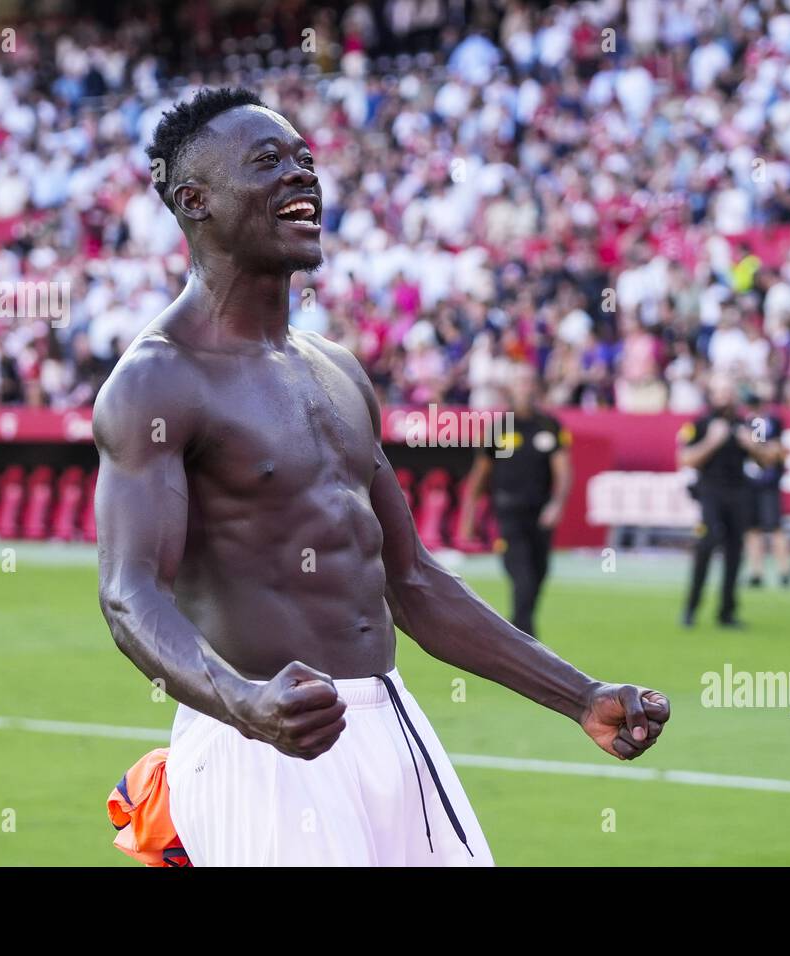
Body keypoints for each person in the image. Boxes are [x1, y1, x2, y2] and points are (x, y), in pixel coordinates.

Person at [93, 88, 669, 867]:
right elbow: (130, 594)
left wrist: (580, 696)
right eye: (269, 163)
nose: (303, 178)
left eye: (305, 161)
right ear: (194, 199)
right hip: (261, 744)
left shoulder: (335, 370)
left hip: (390, 722)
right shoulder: (155, 380)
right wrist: (248, 703)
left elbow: (416, 583)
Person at [458, 364, 572, 638]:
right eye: (520, 382)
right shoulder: (499, 429)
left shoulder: (550, 426)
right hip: (508, 513)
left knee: (539, 573)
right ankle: (525, 640)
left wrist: (557, 504)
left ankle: (522, 635)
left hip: (540, 513)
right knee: (522, 576)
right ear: (510, 389)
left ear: (538, 387)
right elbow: (481, 474)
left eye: (530, 382)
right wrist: (469, 516)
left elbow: (564, 471)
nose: (525, 387)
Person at [678, 373, 772, 628]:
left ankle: (727, 612)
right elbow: (685, 459)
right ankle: (690, 608)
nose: (725, 396)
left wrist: (753, 447)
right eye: (720, 392)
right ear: (712, 395)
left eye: (729, 391)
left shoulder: (746, 425)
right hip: (710, 491)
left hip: (739, 492)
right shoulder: (700, 424)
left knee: (734, 550)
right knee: (707, 544)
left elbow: (766, 459)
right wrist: (711, 442)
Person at [742, 393, 790, 588]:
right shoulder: (759, 421)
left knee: (772, 527)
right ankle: (759, 571)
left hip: (765, 481)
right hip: (754, 482)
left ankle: (781, 570)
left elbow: (763, 449)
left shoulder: (763, 423)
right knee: (755, 528)